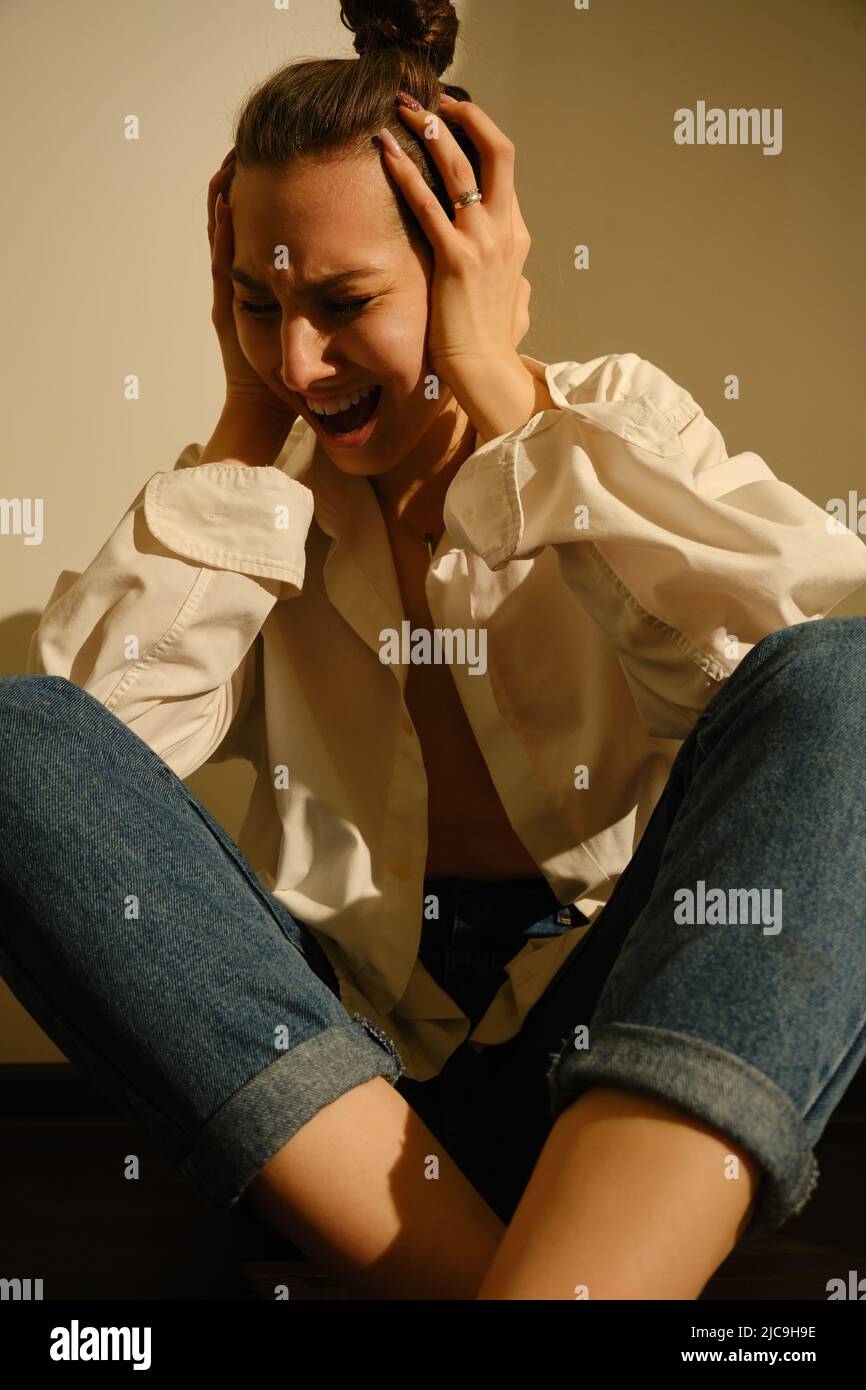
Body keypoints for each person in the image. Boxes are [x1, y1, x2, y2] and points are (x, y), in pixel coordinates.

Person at [2, 0, 866, 1301]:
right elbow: (78, 780)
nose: (298, 358)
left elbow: (793, 689)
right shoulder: (250, 517)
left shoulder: (604, 436)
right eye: (256, 303)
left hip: (609, 1056)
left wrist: (498, 385)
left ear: (467, 269)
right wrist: (243, 428)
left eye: (343, 302)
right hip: (339, 1099)